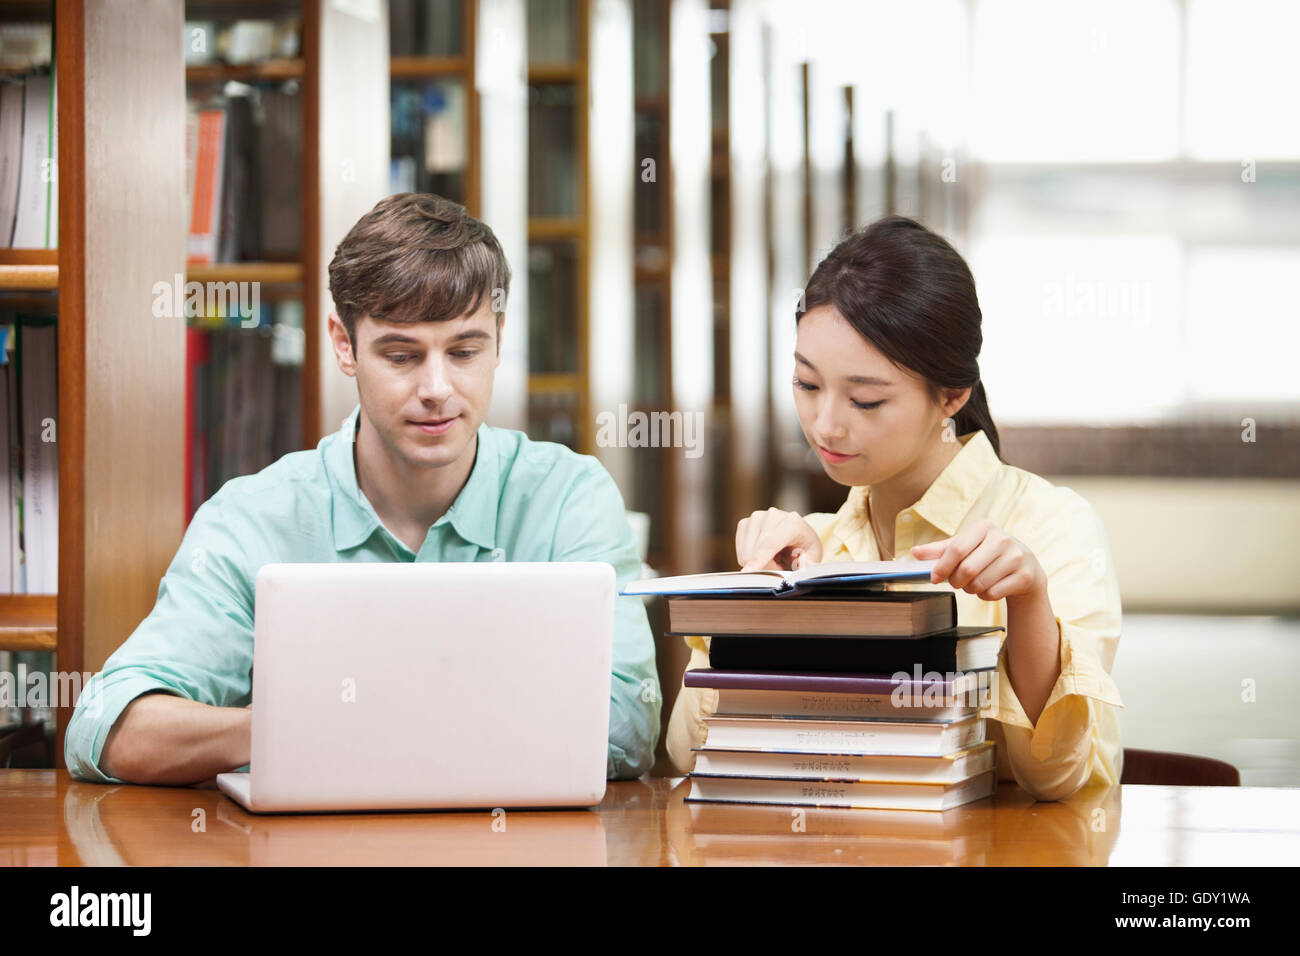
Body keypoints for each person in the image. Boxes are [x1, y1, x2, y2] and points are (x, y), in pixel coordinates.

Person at [65, 193, 661, 785]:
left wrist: (376, 724)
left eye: (464, 351)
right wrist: (282, 727)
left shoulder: (568, 499)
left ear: (499, 338)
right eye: (402, 355)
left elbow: (629, 726)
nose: (437, 388)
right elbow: (104, 726)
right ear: (344, 345)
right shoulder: (253, 518)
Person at [665, 216, 1123, 802]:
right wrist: (753, 604)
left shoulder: (1052, 526)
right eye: (807, 385)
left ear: (951, 396)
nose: (826, 424)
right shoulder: (812, 549)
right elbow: (688, 753)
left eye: (866, 399)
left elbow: (1052, 780)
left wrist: (1029, 602)